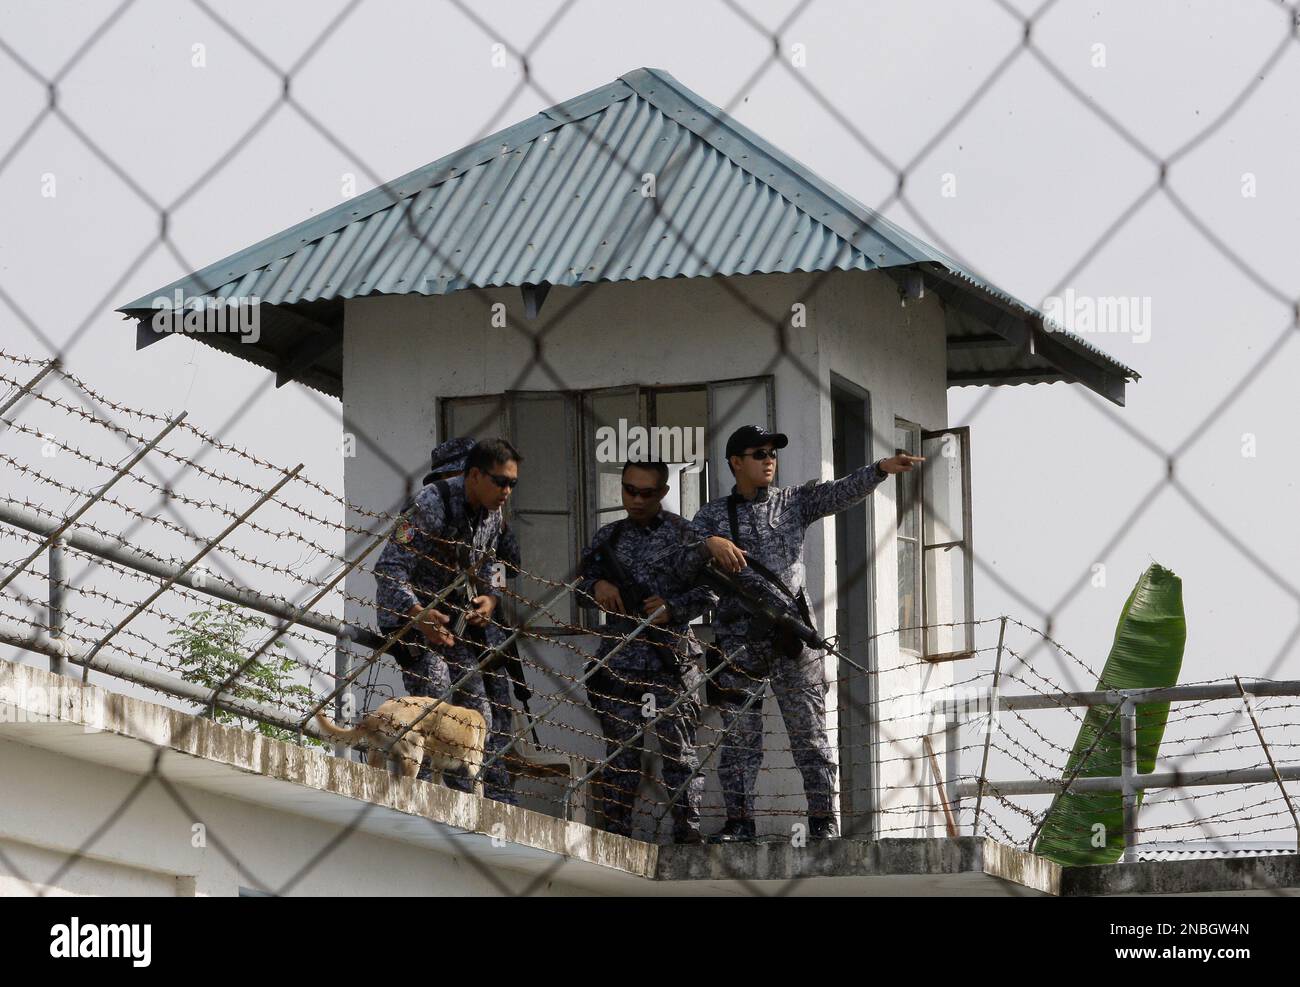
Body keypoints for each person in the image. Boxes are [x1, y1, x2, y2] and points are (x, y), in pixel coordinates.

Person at [687, 424, 921, 842]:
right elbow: (684, 557)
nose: (769, 460)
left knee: (810, 735)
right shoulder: (711, 516)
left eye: (772, 452)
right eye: (759, 453)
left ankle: (821, 821)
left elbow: (838, 493)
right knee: (740, 738)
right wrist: (709, 543)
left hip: (790, 638)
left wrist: (881, 469)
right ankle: (740, 823)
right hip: (738, 639)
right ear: (736, 462)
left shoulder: (793, 502)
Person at [577, 461, 717, 843]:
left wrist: (672, 607)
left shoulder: (685, 536)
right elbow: (579, 582)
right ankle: (617, 837)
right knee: (621, 758)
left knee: (680, 756)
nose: (635, 499)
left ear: (663, 493)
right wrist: (598, 587)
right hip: (620, 664)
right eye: (628, 490)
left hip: (670, 662)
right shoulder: (609, 537)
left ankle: (686, 837)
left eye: (646, 493)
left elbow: (711, 591)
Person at [373, 438, 522, 789]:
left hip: (452, 624)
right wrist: (417, 613)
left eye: (512, 484)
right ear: (474, 475)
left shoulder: (492, 514)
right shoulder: (430, 504)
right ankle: (422, 788)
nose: (507, 491)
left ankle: (466, 795)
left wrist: (491, 598)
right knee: (434, 698)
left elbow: (487, 564)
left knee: (477, 712)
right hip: (411, 620)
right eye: (500, 482)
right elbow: (388, 569)